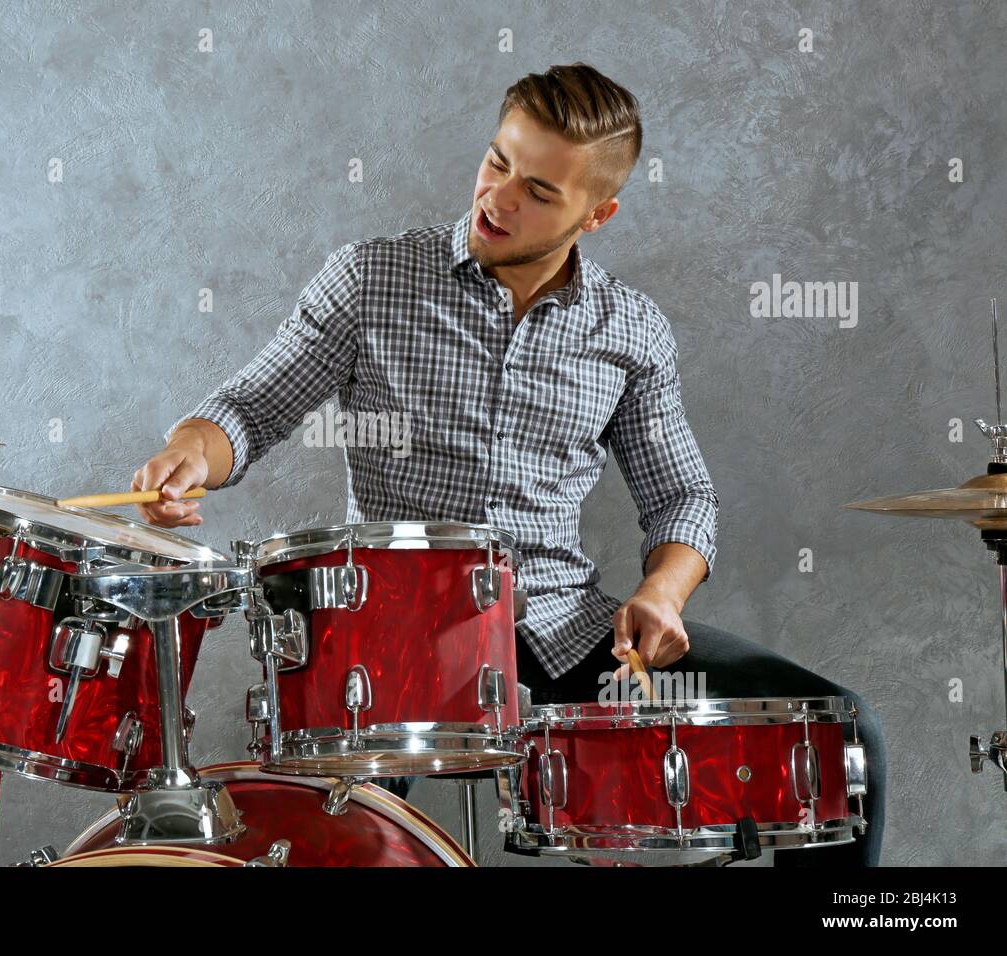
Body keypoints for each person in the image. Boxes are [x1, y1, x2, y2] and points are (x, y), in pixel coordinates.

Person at [133, 62, 885, 866]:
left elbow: (683, 499)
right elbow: (246, 411)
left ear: (598, 213)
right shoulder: (372, 278)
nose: (498, 198)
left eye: (538, 190)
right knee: (340, 842)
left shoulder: (630, 331)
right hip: (395, 644)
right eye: (498, 162)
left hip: (568, 633)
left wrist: (663, 594)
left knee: (843, 738)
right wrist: (189, 454)